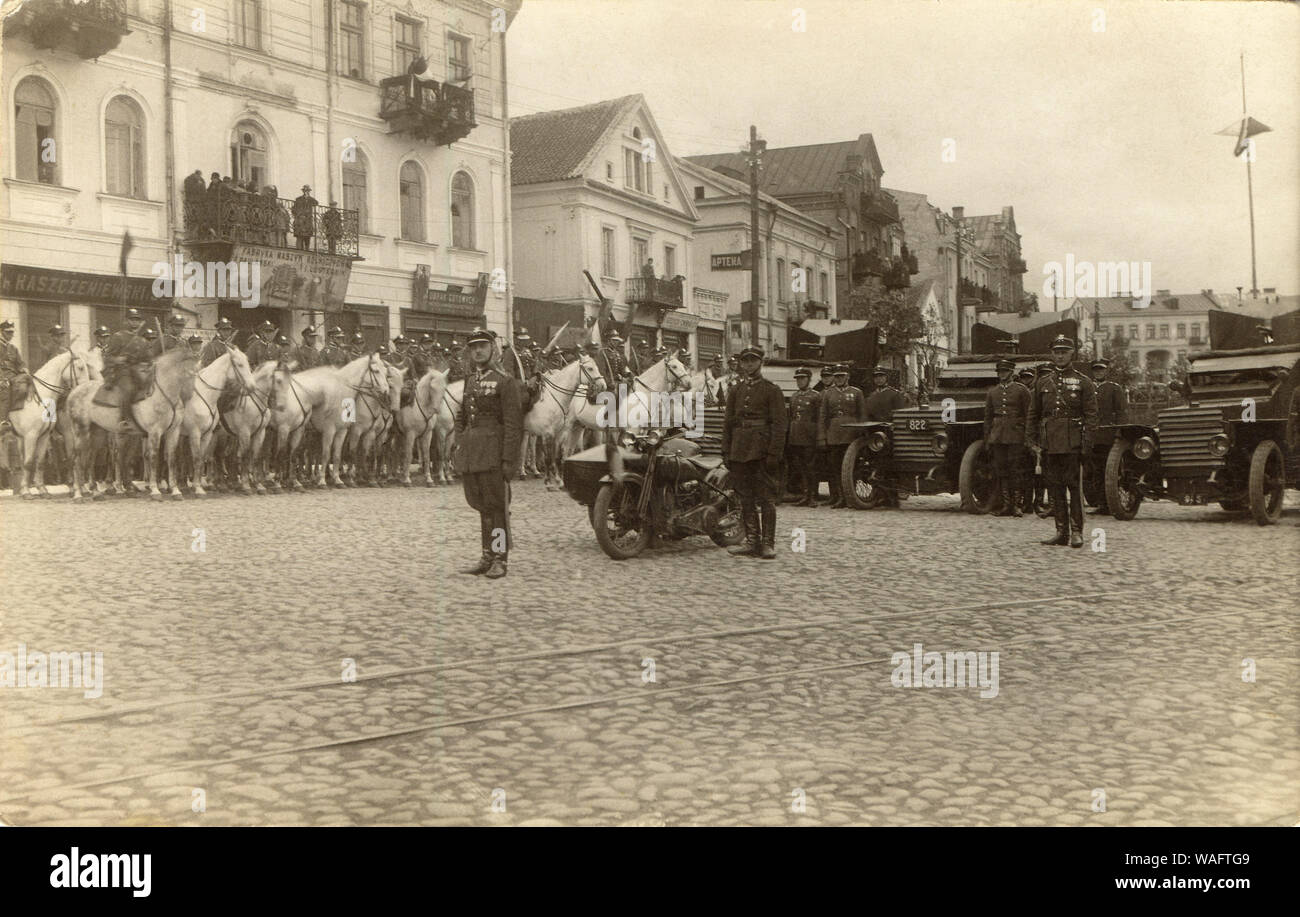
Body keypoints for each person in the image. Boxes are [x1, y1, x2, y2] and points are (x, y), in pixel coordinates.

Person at [455, 328, 522, 580]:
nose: (478, 351)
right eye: (473, 347)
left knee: (497, 508)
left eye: (482, 346)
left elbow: (514, 424)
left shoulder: (505, 382)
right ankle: (486, 555)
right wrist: (459, 443)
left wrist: (508, 460)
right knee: (481, 505)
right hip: (474, 454)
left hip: (494, 454)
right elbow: (462, 416)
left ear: (493, 349)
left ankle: (499, 558)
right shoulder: (471, 380)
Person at [1027, 336, 1099, 548]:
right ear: (1052, 355)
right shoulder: (1042, 382)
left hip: (1072, 442)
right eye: (1056, 352)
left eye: (1064, 352)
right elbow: (1034, 414)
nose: (1059, 356)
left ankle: (1077, 532)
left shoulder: (1083, 381)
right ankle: (1061, 532)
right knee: (1054, 488)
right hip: (1049, 442)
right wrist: (1031, 441)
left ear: (1071, 354)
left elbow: (1092, 416)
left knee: (1073, 487)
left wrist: (1087, 443)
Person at [721, 345, 787, 559]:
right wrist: (726, 451)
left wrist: (774, 453)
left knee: (765, 498)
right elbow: (728, 423)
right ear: (741, 363)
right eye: (745, 360)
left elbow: (779, 425)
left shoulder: (772, 390)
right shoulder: (735, 390)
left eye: (753, 360)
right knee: (745, 498)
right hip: (739, 448)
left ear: (761, 362)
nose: (749, 364)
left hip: (761, 450)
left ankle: (767, 543)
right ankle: (751, 541)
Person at [983, 358, 1031, 517]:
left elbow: (1029, 415)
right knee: (1001, 470)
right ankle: (1006, 505)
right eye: (1000, 372)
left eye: (1005, 371)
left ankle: (1017, 505)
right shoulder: (992, 392)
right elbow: (988, 417)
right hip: (997, 436)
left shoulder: (1021, 390)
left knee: (1016, 470)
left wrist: (1028, 437)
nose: (1002, 375)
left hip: (1016, 435)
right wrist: (987, 438)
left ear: (1012, 373)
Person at [818, 364, 866, 508]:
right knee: (833, 467)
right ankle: (836, 496)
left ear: (848, 377)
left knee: (851, 468)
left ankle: (849, 497)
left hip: (851, 434)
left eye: (842, 376)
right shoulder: (828, 393)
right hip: (833, 433)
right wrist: (822, 436)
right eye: (837, 376)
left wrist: (862, 435)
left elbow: (862, 414)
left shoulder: (856, 392)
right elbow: (823, 416)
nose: (839, 379)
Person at [1088, 358, 1128, 515]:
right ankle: (1100, 503)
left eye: (1102, 369)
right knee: (1094, 470)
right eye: (1096, 369)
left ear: (1106, 371)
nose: (1099, 372)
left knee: (1110, 470)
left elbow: (1121, 412)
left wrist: (1120, 432)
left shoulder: (1114, 388)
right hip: (1091, 436)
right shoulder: (1088, 387)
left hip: (1108, 436)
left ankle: (1113, 503)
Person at [786, 367, 822, 506]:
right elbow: (791, 417)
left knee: (810, 466)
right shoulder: (794, 396)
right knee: (800, 466)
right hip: (796, 436)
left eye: (802, 378)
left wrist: (819, 436)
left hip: (809, 436)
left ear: (809, 379)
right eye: (798, 379)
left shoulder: (815, 396)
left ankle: (812, 496)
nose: (800, 381)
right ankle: (804, 494)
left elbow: (819, 418)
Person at [0, 319, 28, 431]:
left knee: (28, 383)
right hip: (3, 377)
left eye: (12, 332)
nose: (11, 335)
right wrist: (1, 379)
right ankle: (3, 420)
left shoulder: (13, 348)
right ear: (1, 331)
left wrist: (24, 369)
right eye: (8, 332)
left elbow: (20, 363)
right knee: (5, 390)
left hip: (14, 376)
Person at [292, 185, 318, 250]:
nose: (306, 192)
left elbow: (316, 203)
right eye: (305, 190)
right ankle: (299, 251)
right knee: (299, 238)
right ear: (303, 191)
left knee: (307, 238)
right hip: (300, 222)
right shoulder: (298, 199)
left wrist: (308, 197)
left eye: (308, 191)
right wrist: (298, 215)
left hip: (307, 222)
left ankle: (307, 250)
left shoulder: (310, 199)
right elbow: (293, 209)